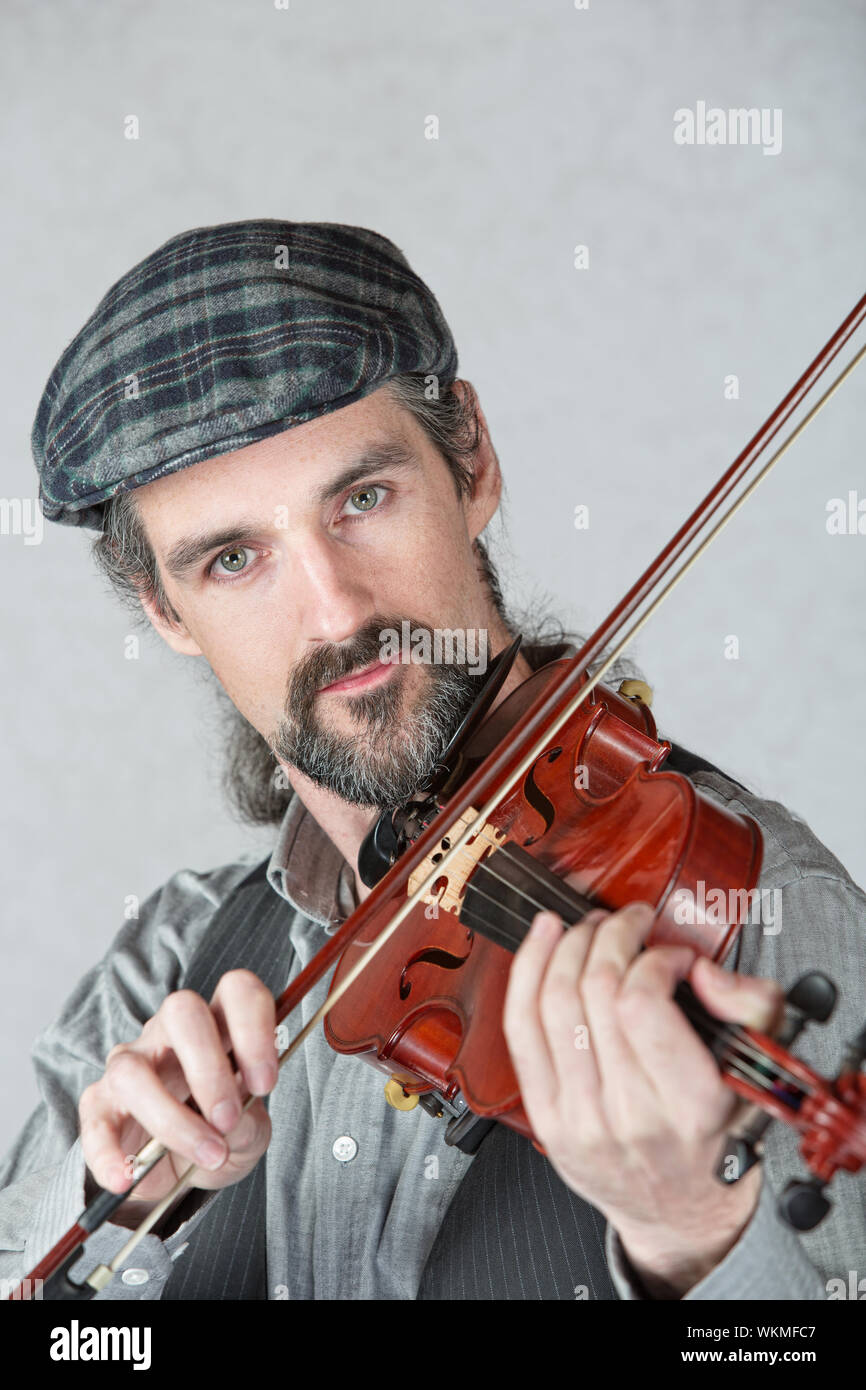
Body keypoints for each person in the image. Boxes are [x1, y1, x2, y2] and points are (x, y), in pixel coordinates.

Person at [3, 220, 864, 1301]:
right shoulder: (164, 958)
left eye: (361, 499)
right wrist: (112, 1218)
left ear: (471, 463)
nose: (335, 610)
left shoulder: (743, 903)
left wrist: (693, 1238)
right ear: (165, 609)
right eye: (234, 559)